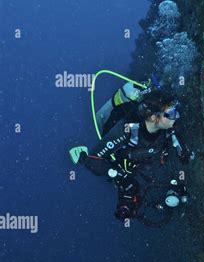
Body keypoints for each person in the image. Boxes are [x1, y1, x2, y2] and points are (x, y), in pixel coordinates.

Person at [69, 86, 193, 222]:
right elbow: (93, 159)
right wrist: (119, 176)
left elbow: (174, 141)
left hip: (144, 155)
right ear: (153, 117)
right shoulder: (127, 130)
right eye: (171, 113)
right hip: (126, 160)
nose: (177, 116)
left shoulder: (168, 128)